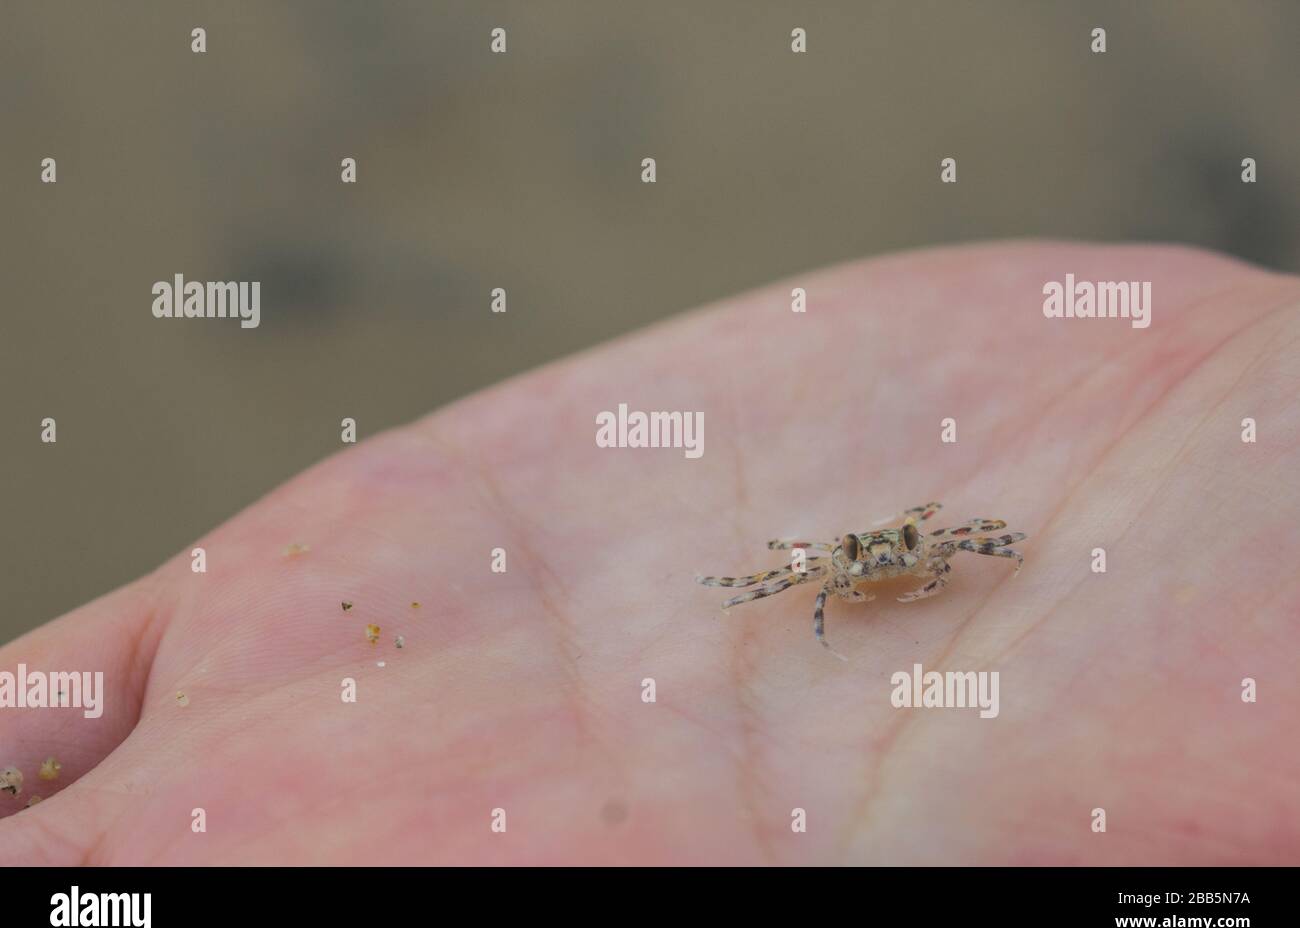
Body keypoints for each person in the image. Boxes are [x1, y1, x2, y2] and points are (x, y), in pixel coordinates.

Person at [2, 241, 1296, 864]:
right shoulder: (825, 575)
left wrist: (1213, 400)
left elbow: (972, 536)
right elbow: (795, 583)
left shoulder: (943, 539)